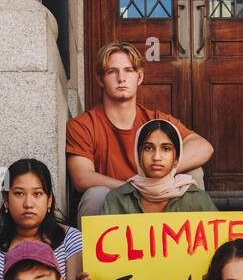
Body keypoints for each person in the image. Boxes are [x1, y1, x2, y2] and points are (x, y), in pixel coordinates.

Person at [66, 40, 214, 218]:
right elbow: (82, 178)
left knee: (193, 173)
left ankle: (195, 244)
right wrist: (135, 186)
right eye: (112, 72)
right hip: (118, 204)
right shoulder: (83, 124)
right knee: (95, 195)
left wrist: (159, 175)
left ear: (140, 77)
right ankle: (88, 247)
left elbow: (204, 147)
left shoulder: (156, 120)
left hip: (162, 204)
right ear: (100, 79)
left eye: (128, 71)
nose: (121, 78)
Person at [0, 158, 87, 280]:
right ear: (6, 199)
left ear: (49, 200)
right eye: (19, 193)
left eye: (37, 194)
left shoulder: (71, 239)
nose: (28, 204)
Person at [99, 119, 216, 216]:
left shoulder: (198, 201)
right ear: (138, 156)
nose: (156, 157)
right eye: (148, 148)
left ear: (176, 159)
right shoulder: (116, 199)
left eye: (166, 149)